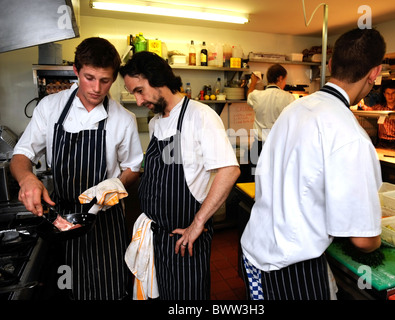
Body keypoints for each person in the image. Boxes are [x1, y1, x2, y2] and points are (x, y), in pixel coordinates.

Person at [240, 28, 386, 300]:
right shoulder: (351, 136)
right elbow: (363, 239)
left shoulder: (295, 108)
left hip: (254, 248)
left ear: (330, 65)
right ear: (374, 73)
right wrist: (378, 238)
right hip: (291, 269)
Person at [10, 37, 143, 300]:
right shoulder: (50, 108)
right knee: (68, 290)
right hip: (62, 218)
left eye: (105, 81)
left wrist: (115, 184)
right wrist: (26, 178)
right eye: (89, 78)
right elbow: (22, 154)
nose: (96, 88)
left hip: (105, 218)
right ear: (76, 70)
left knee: (110, 289)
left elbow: (133, 167)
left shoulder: (123, 119)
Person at [119, 51, 240, 300]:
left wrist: (198, 224)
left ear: (156, 78)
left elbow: (230, 170)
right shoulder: (155, 123)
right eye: (134, 94)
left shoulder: (200, 115)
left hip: (185, 240)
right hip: (156, 237)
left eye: (139, 90)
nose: (138, 101)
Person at [247, 64, 295, 162]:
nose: (285, 83)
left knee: (257, 176)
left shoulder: (257, 95)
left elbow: (249, 95)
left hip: (259, 147)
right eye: (285, 80)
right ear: (280, 78)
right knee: (276, 176)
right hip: (279, 147)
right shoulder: (289, 97)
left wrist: (253, 82)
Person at [372, 82, 395, 149]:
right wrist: (360, 103)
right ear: (384, 94)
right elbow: (367, 110)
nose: (390, 96)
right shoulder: (379, 108)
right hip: (382, 142)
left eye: (393, 93)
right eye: (388, 93)